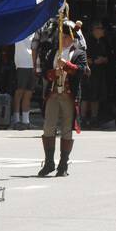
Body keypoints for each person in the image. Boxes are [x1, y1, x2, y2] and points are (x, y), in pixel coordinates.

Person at [37, 20, 87, 177]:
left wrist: (67, 66)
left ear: (72, 38)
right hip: (53, 94)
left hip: (68, 95)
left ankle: (63, 164)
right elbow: (44, 72)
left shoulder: (79, 53)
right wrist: (53, 73)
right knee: (48, 127)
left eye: (66, 36)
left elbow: (81, 71)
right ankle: (49, 162)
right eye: (62, 36)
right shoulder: (53, 52)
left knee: (66, 129)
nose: (64, 39)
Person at [82, 20, 113, 128]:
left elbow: (109, 55)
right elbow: (83, 56)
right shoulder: (87, 41)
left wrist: (104, 59)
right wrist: (94, 61)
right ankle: (83, 119)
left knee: (97, 96)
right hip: (89, 72)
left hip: (100, 72)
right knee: (86, 96)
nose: (102, 30)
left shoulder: (104, 41)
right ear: (94, 30)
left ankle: (94, 119)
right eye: (100, 28)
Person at [11, 29, 38, 129]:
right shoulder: (20, 28)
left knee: (28, 93)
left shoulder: (35, 29)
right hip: (23, 63)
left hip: (32, 65)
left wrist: (35, 65)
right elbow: (34, 48)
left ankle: (26, 121)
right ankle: (16, 120)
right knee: (20, 92)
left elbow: (35, 47)